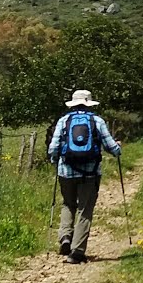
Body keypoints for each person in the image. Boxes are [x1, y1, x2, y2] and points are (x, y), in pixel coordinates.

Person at [47, 88, 122, 263]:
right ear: (89, 103)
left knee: (68, 204)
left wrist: (54, 161)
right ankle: (77, 251)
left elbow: (53, 148)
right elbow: (111, 146)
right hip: (90, 172)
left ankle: (65, 237)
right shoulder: (97, 120)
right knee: (84, 209)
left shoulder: (64, 120)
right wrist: (118, 149)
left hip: (66, 171)